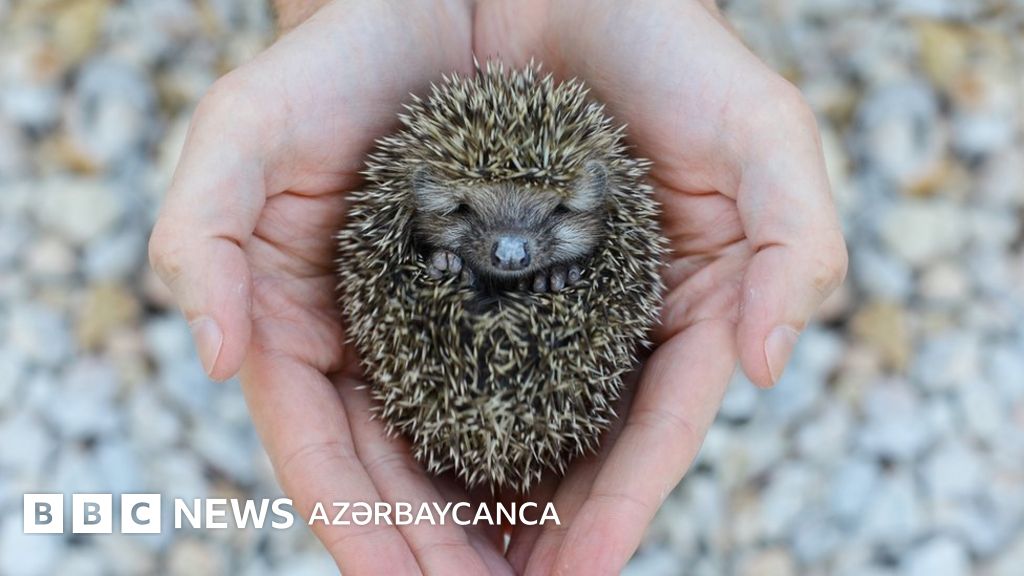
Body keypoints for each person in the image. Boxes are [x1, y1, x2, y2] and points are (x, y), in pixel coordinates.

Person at [148, 0, 848, 573]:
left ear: (591, 197)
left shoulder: (596, 212)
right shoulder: (416, 211)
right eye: (472, 216)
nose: (512, 247)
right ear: (427, 198)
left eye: (546, 220)